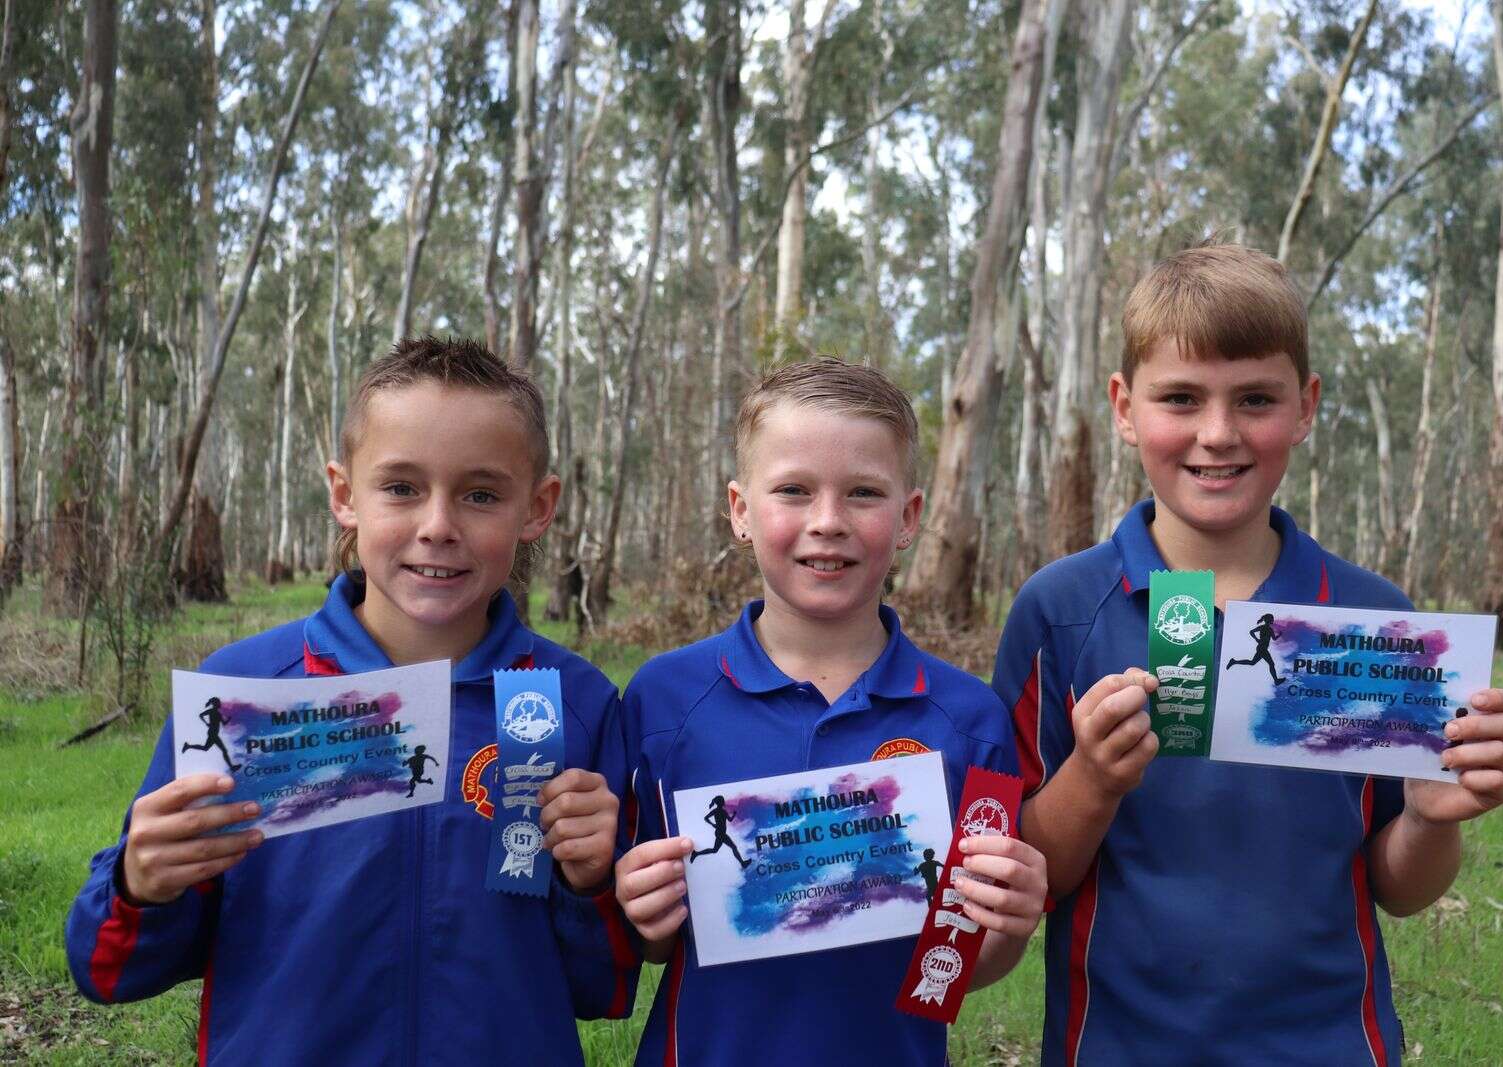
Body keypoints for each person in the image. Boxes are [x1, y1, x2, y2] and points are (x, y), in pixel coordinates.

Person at [994, 242, 1503, 1065]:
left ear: (1305, 407)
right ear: (1124, 407)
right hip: (1118, 1047)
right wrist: (1091, 779)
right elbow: (1023, 876)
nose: (1217, 433)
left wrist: (1428, 817)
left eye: (1255, 399)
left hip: (1331, 1045)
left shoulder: (1377, 623)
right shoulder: (1058, 614)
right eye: (1180, 397)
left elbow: (1400, 889)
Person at [64, 336, 638, 1065]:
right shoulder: (245, 696)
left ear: (538, 506)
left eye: (481, 494)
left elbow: (603, 988)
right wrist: (139, 884)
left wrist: (591, 883)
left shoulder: (575, 705)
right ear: (344, 495)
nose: (438, 525)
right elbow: (109, 970)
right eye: (400, 487)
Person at [614, 359, 1048, 1066]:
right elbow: (650, 942)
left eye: (863, 493)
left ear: (908, 517)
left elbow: (960, 967)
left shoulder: (970, 721)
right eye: (793, 490)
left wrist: (1011, 921)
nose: (827, 522)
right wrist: (640, 907)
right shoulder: (663, 700)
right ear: (740, 510)